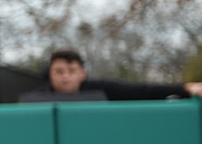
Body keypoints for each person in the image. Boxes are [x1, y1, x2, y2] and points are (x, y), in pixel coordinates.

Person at [18, 47, 202, 102]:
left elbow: (141, 91)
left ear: (82, 74)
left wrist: (186, 87)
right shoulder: (36, 101)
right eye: (59, 72)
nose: (66, 76)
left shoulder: (102, 90)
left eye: (71, 71)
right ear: (49, 74)